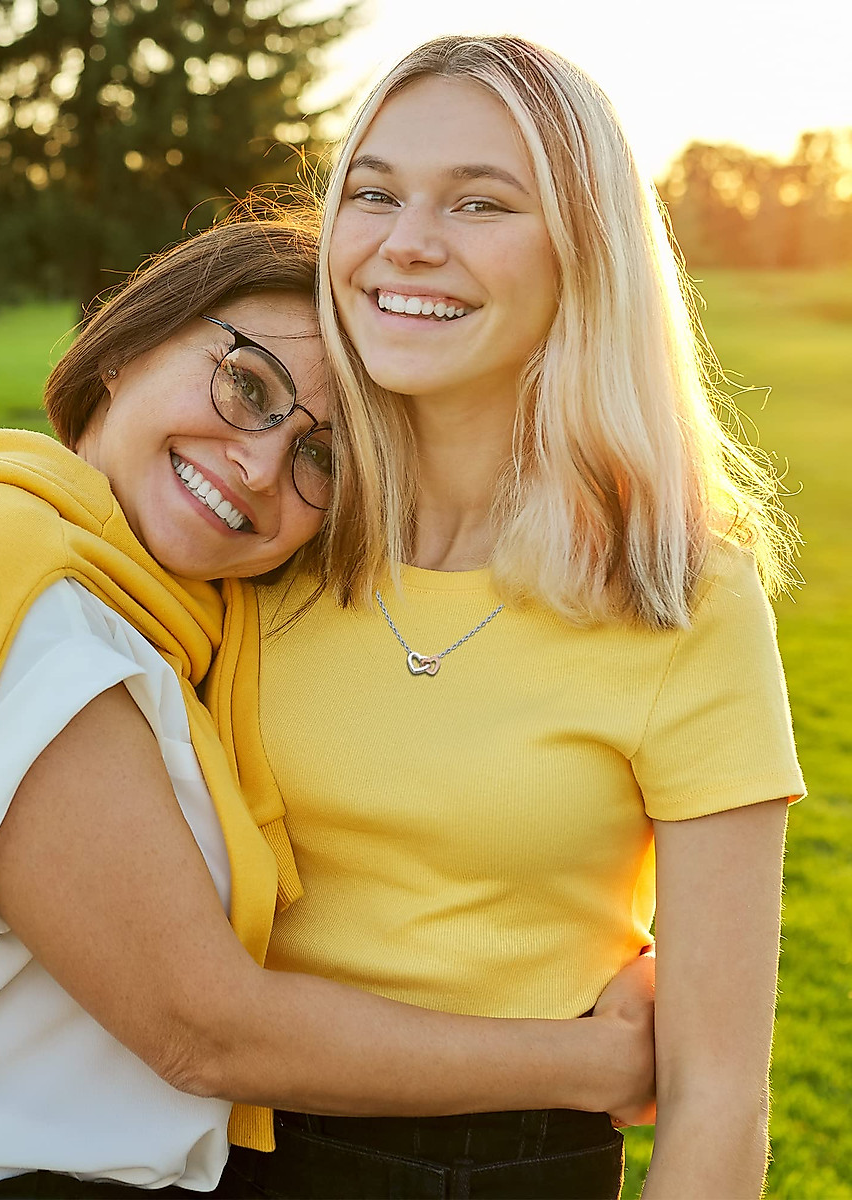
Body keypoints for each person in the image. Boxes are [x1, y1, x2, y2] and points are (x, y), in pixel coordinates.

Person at [0, 218, 653, 1200]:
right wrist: (590, 1063)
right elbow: (203, 1027)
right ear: (127, 346)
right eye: (248, 384)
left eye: (323, 461)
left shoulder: (142, 617)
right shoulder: (19, 597)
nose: (261, 465)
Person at [211, 37, 805, 1200]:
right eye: (372, 193)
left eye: (481, 202)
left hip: (491, 1174)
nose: (406, 242)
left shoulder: (681, 593)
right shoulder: (257, 538)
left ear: (583, 256)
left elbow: (716, 1094)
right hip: (178, 1150)